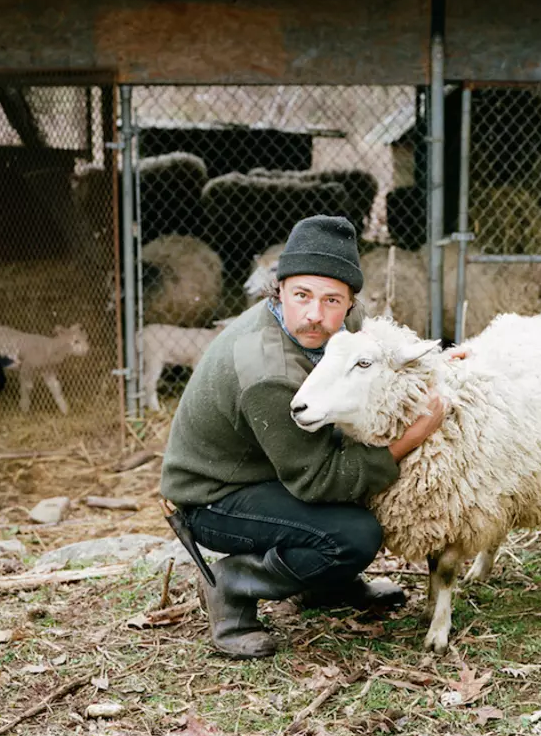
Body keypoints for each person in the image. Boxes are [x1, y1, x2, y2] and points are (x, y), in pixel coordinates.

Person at [159, 214, 448, 659]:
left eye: (332, 300)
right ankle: (233, 585)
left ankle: (324, 585)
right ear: (279, 290)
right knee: (353, 535)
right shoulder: (268, 370)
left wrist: (438, 365)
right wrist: (409, 438)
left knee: (355, 482)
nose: (315, 314)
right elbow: (316, 480)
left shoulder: (344, 326)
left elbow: (380, 358)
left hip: (270, 468)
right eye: (302, 296)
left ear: (352, 302)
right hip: (215, 495)